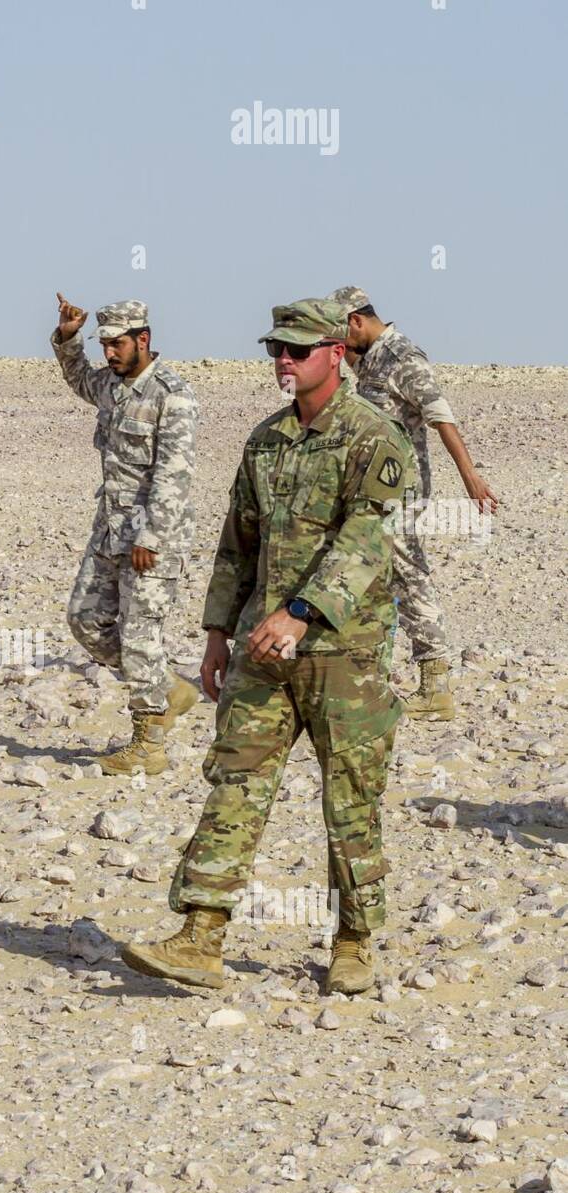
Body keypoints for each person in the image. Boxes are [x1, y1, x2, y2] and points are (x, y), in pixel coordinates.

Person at [122, 299, 413, 996]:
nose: (284, 361)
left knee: (350, 799)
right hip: (261, 646)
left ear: (336, 354)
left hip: (345, 654)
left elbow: (365, 539)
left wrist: (302, 613)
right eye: (275, 350)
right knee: (235, 782)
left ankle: (354, 939)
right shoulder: (266, 441)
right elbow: (237, 543)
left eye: (298, 350)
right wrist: (218, 632)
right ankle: (201, 934)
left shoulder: (374, 437)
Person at [329, 286, 499, 720]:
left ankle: (436, 685)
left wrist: (471, 478)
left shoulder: (403, 357)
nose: (339, 345)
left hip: (400, 491)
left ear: (356, 321)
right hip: (370, 489)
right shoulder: (367, 359)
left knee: (409, 575)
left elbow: (441, 416)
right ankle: (362, 672)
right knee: (364, 574)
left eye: (340, 334)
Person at [52, 294, 200, 776]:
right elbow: (79, 380)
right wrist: (69, 339)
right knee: (85, 620)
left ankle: (149, 743)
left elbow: (173, 475)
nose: (110, 354)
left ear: (144, 339)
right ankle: (165, 687)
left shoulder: (171, 395)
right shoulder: (113, 387)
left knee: (140, 635)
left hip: (152, 537)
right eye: (105, 345)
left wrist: (151, 537)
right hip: (111, 530)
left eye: (117, 344)